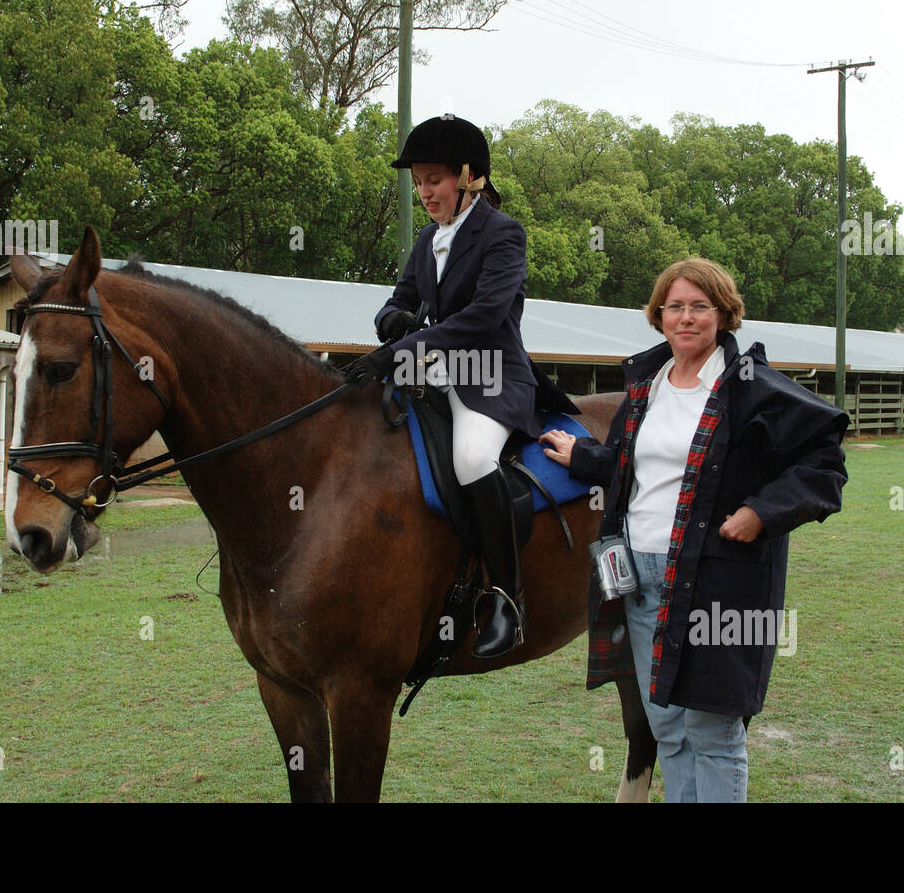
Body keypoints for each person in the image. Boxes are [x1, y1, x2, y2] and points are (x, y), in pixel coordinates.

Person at [539, 257, 848, 802]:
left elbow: (824, 464)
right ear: (658, 316)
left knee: (713, 732)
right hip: (639, 574)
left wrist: (762, 512)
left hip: (715, 581)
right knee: (667, 728)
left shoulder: (751, 386)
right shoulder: (648, 384)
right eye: (674, 307)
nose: (686, 318)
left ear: (723, 314)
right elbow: (639, 469)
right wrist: (584, 455)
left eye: (700, 307)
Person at [344, 114, 576, 659]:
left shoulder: (503, 234)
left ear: (468, 176)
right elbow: (399, 297)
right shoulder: (429, 239)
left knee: (472, 459)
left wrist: (403, 350)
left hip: (490, 376)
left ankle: (505, 596)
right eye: (419, 182)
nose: (424, 192)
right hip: (431, 375)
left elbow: (485, 315)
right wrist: (390, 320)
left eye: (434, 180)